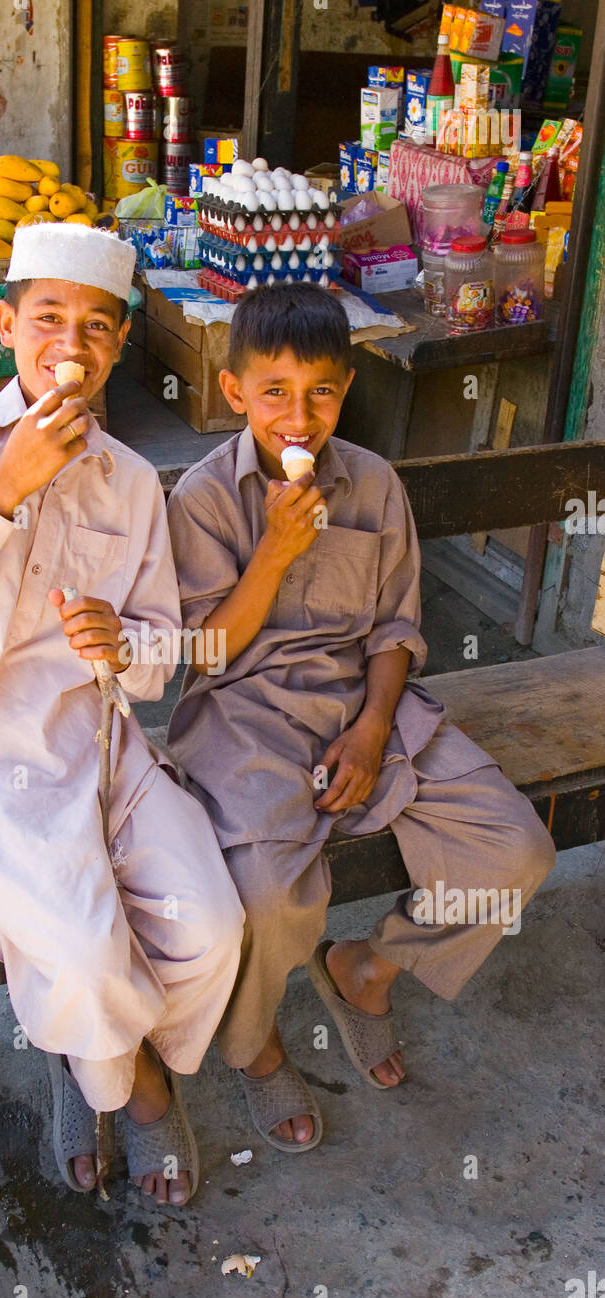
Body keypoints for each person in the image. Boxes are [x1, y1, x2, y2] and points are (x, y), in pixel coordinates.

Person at [0, 222, 244, 1207]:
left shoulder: (129, 480)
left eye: (94, 327)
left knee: (211, 928)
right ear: (4, 326)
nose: (68, 346)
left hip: (102, 752)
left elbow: (162, 654)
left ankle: (85, 1046)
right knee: (79, 950)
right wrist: (1, 491)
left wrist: (122, 646)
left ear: (120, 346)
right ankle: (130, 1083)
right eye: (45, 320)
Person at [165, 282, 556, 1154]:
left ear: (347, 388)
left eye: (322, 393)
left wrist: (376, 727)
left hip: (367, 704)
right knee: (267, 900)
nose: (298, 417)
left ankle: (365, 967)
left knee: (517, 851)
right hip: (245, 717)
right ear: (234, 393)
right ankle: (256, 1044)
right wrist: (275, 551)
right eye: (274, 392)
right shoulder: (201, 500)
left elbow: (394, 628)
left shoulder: (373, 484)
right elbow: (202, 656)